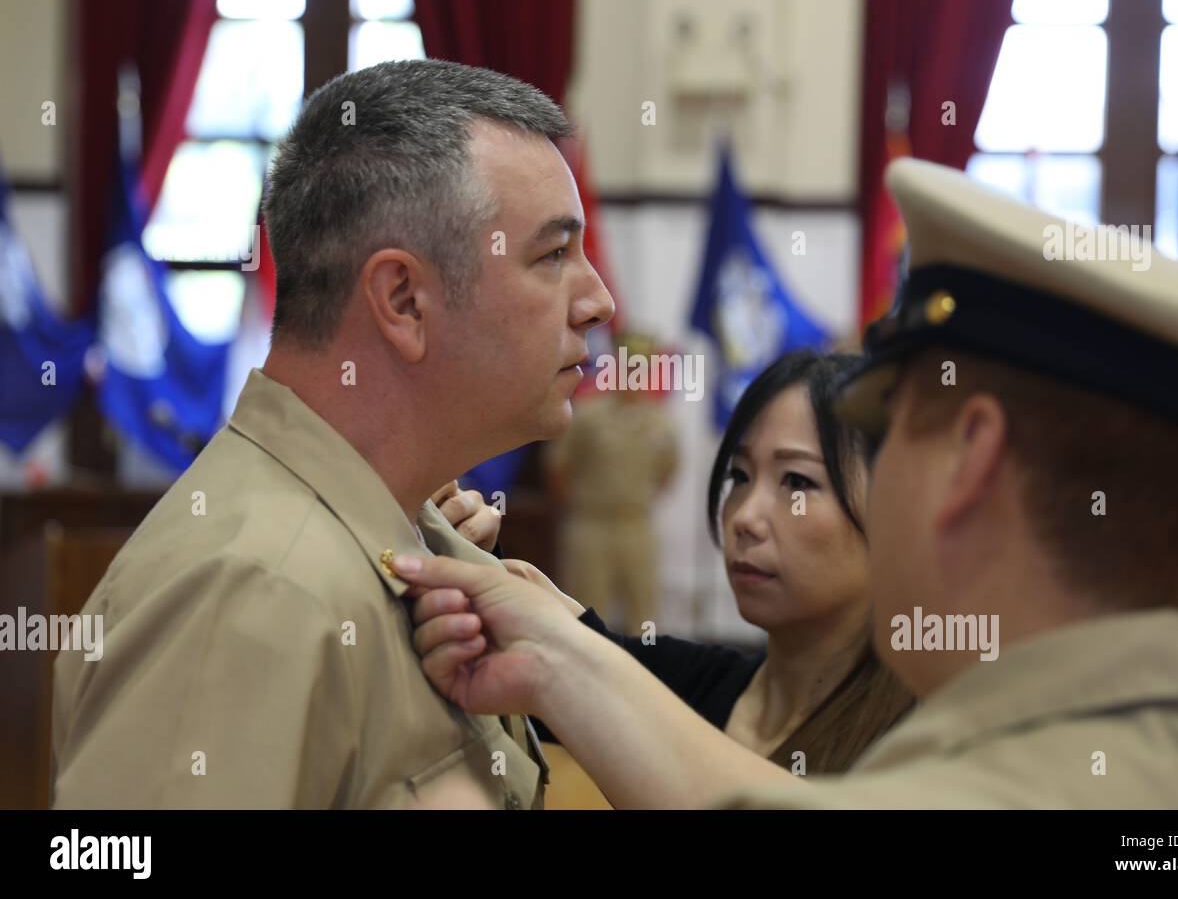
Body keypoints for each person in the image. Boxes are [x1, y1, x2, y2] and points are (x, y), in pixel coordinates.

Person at [399, 157, 1178, 808]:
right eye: (741, 477)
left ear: (971, 458)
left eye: (887, 433)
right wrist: (555, 639)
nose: (750, 516)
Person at [50, 59, 615, 809]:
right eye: (552, 255)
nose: (598, 302)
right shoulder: (251, 592)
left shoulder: (414, 534)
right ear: (403, 300)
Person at [515, 349, 913, 774]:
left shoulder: (924, 742)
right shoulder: (690, 686)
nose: (744, 517)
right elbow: (569, 649)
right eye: (738, 476)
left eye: (798, 481)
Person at [544, 333, 679, 634]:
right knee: (588, 616)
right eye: (629, 366)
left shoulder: (661, 422)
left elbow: (668, 473)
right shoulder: (588, 415)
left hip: (637, 526)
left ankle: (644, 666)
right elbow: (559, 468)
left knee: (644, 617)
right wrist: (581, 506)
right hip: (592, 526)